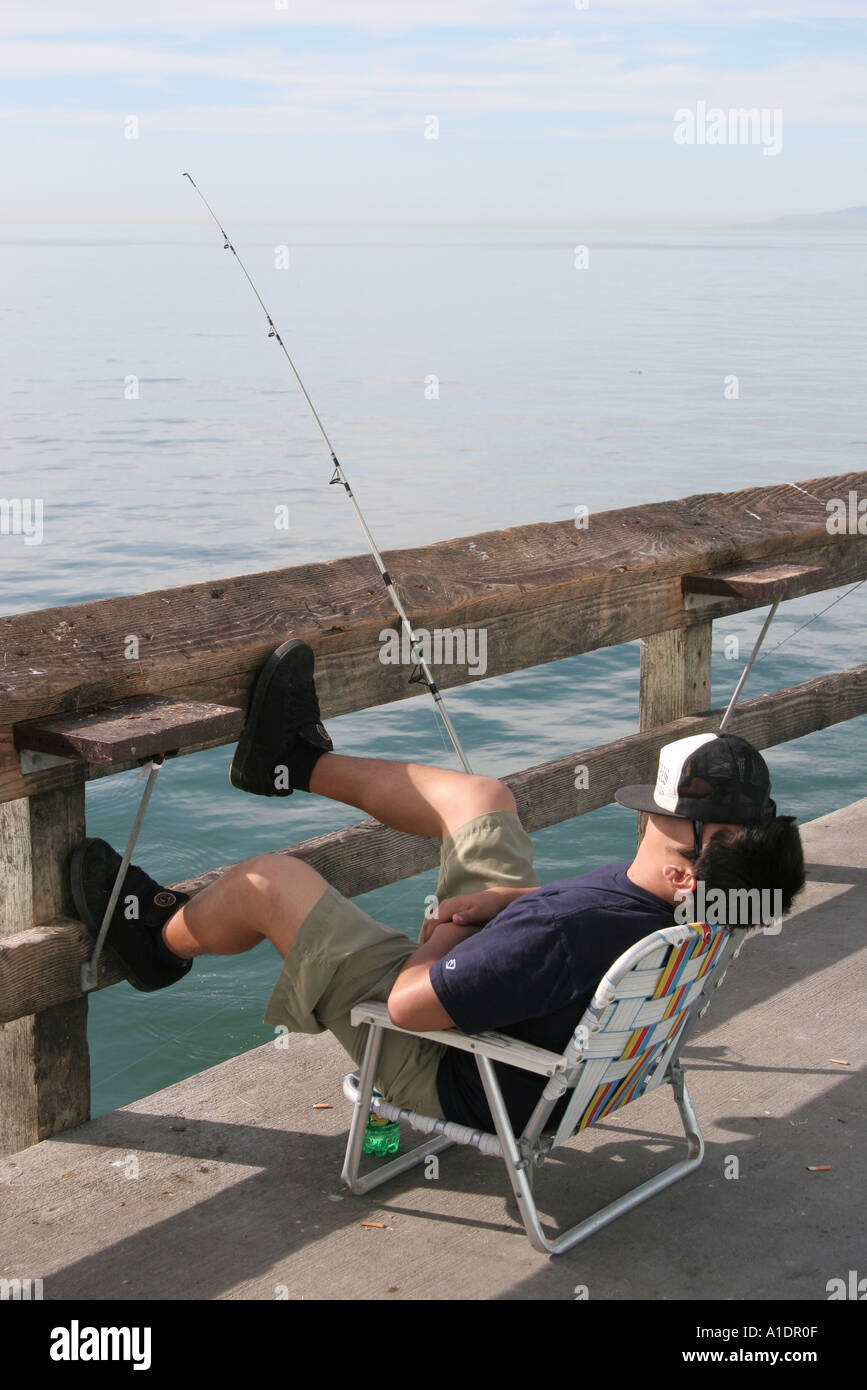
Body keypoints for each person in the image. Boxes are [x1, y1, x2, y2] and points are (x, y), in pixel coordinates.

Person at [70, 641, 806, 1135]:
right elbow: (567, 931)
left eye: (661, 813)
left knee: (271, 881)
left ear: (682, 865)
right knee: (481, 799)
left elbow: (409, 1007)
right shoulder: (706, 907)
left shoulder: (573, 928)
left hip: (451, 1063)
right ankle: (288, 763)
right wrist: (504, 904)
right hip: (529, 1021)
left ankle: (156, 944)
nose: (647, 813)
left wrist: (453, 928)